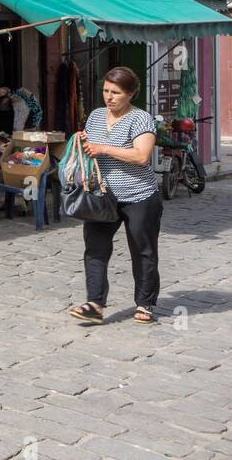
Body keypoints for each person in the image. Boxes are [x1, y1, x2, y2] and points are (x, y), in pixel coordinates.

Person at [69, 66, 162, 326]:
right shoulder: (96, 116)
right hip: (103, 196)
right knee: (95, 248)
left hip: (139, 196)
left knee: (142, 251)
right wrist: (84, 143)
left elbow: (142, 156)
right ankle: (95, 303)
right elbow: (93, 150)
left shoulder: (141, 119)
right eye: (106, 91)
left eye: (116, 92)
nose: (109, 97)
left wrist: (104, 148)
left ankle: (145, 303)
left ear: (130, 94)